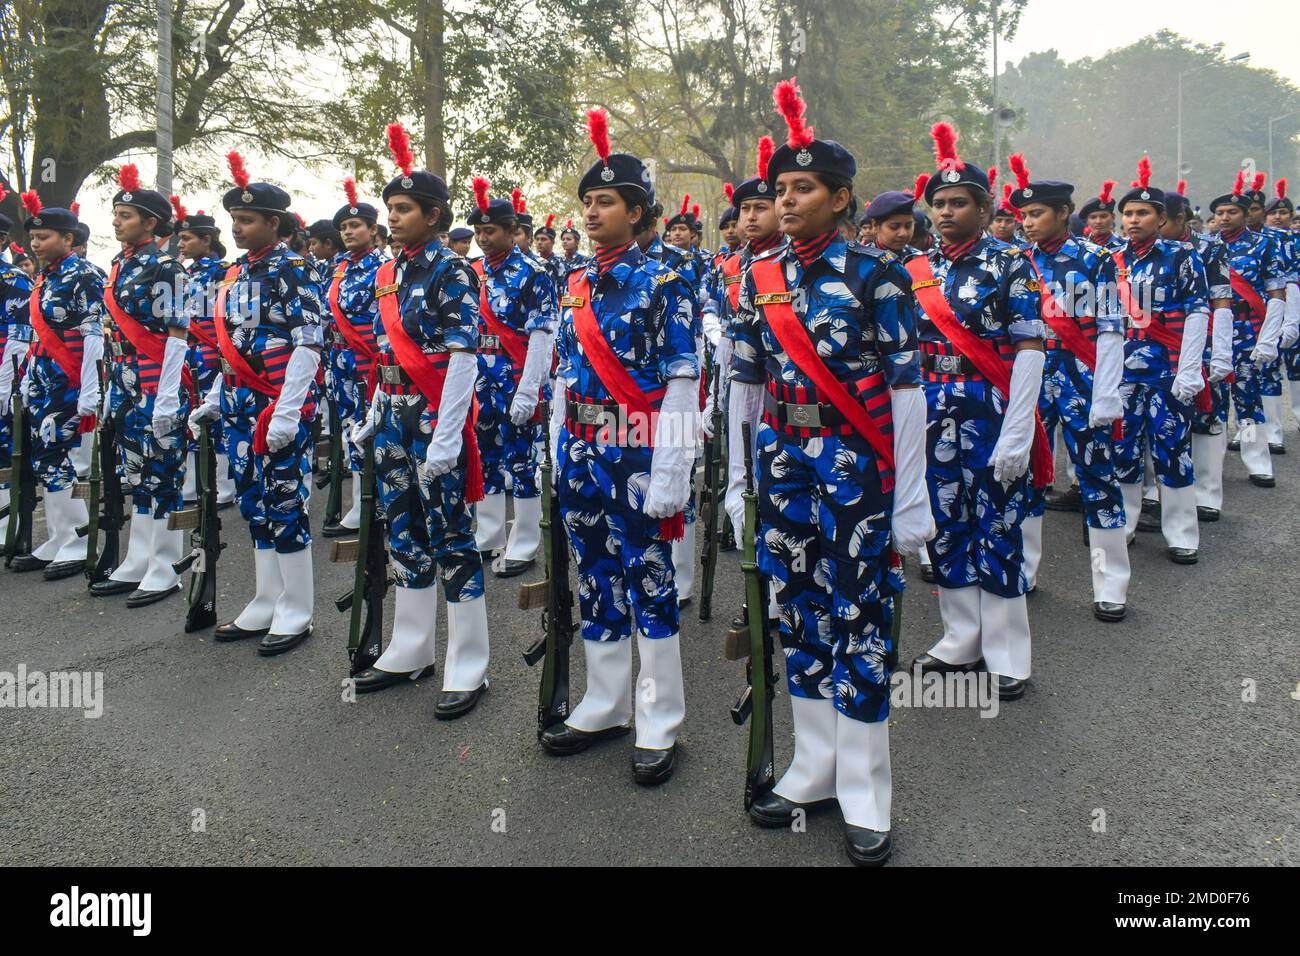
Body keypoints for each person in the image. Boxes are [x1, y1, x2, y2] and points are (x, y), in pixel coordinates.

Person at [729, 79, 929, 866]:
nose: (785, 201)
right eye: (779, 189)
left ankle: (866, 785)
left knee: (861, 621)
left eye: (802, 188)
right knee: (799, 612)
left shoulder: (880, 275)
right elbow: (744, 386)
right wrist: (744, 483)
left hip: (857, 465)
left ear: (842, 198)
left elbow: (907, 391)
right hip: (783, 460)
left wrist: (911, 498)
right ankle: (812, 768)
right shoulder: (758, 276)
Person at [540, 108, 696, 785]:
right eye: (586, 202)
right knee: (595, 579)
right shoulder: (574, 283)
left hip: (637, 450)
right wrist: (553, 444)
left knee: (650, 582)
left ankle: (659, 718)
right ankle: (604, 703)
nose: (591, 212)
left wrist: (674, 471)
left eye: (605, 202)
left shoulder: (667, 282)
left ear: (638, 213)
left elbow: (685, 382)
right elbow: (562, 374)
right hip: (580, 449)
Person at [344, 123, 490, 717]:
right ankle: (411, 646)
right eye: (391, 208)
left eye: (404, 209)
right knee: (401, 530)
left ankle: (469, 662)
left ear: (433, 216)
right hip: (394, 412)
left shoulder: (451, 271)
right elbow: (384, 357)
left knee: (451, 534)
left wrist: (449, 436)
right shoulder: (387, 274)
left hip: (434, 417)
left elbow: (463, 357)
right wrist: (374, 414)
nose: (394, 218)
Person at [909, 122, 1047, 701]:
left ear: (984, 206)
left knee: (999, 526)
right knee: (944, 527)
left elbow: (1030, 348)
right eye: (938, 203)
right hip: (931, 409)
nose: (945, 212)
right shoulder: (918, 268)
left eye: (957, 202)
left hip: (989, 407)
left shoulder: (1010, 261)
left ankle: (1008, 651)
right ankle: (960, 638)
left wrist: (1018, 432)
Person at [187, 152, 323, 655]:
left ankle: (297, 609)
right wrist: (215, 396)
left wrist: (289, 410)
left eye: (246, 220)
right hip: (240, 406)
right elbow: (225, 345)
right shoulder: (229, 275)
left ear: (274, 222)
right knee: (254, 504)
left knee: (286, 502)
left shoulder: (295, 270)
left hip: (277, 405)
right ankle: (267, 598)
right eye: (234, 220)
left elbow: (309, 343)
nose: (238, 227)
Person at [1007, 155, 1130, 620]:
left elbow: (1112, 327)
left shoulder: (1097, 259)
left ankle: (1109, 582)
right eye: (1023, 216)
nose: (1029, 223)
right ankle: (1025, 571)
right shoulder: (1017, 261)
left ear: (1063, 213)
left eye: (1037, 214)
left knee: (1097, 478)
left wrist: (1107, 392)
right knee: (1028, 475)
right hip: (1032, 376)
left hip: (1081, 373)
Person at [81, 166, 192, 603]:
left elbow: (178, 335)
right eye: (116, 214)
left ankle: (165, 565)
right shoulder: (119, 265)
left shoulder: (167, 268)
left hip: (155, 377)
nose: (117, 221)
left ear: (151, 222)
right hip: (125, 377)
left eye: (126, 215)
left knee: (162, 470)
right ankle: (138, 557)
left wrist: (167, 398)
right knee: (136, 471)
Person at [1109, 158, 1210, 562]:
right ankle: (1127, 523)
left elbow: (1198, 311)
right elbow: (1104, 320)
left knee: (1171, 448)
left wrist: (1189, 370)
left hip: (1166, 369)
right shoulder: (1110, 260)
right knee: (1124, 448)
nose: (1133, 220)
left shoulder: (1181, 257)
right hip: (1122, 372)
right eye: (1128, 213)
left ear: (1161, 217)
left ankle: (1182, 532)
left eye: (1142, 213)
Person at [466, 177, 557, 576]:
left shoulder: (534, 272)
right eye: (479, 232)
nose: (483, 238)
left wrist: (529, 389)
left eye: (491, 231)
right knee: (484, 455)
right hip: (480, 377)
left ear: (511, 231)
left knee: (521, 460)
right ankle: (488, 534)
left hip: (517, 374)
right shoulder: (471, 271)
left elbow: (541, 335)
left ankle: (524, 541)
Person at [10, 193, 100, 577]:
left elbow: (95, 335)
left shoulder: (85, 275)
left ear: (68, 238)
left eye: (44, 237)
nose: (35, 244)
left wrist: (91, 388)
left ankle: (78, 539)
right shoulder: (44, 277)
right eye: (33, 237)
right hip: (44, 380)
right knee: (45, 459)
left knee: (66, 459)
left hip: (71, 380)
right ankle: (60, 535)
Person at [1209, 172, 1288, 488]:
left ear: (1244, 214)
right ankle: (1211, 470)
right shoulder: (1205, 248)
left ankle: (1258, 461)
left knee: (1248, 402)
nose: (1225, 218)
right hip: (1214, 335)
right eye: (1220, 213)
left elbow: (1276, 294)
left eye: (1232, 212)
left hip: (1248, 333)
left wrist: (1269, 339)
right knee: (1212, 407)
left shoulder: (1264, 245)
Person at [1160, 183, 1233, 522]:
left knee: (1207, 421)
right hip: (1158, 349)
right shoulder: (1136, 252)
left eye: (1161, 220)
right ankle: (1158, 497)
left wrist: (1220, 352)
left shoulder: (1209, 248)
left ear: (1179, 220)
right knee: (1162, 426)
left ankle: (1207, 494)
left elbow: (1220, 302)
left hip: (1201, 345)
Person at [320, 176, 386, 537]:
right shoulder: (336, 268)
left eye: (355, 225)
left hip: (369, 362)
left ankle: (379, 501)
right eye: (343, 227)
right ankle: (363, 499)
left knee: (373, 428)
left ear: (372, 229)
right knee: (350, 428)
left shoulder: (384, 268)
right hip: (340, 363)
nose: (347, 232)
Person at [172, 200, 236, 508]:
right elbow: (170, 318)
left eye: (187, 239)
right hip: (187, 355)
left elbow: (239, 321)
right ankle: (194, 482)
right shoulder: (179, 273)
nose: (182, 244)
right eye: (180, 239)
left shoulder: (227, 273)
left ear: (207, 240)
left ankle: (224, 483)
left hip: (213, 354)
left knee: (217, 416)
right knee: (188, 415)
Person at [0, 213, 35, 524]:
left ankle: (6, 521)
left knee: (3, 445)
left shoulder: (13, 279)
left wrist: (4, 384)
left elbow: (20, 336)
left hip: (4, 369)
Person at [1265, 180, 1300, 432]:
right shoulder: (1260, 243)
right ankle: (1272, 429)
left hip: (1296, 306)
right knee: (1266, 370)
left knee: (1297, 366)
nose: (1278, 217)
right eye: (1273, 213)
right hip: (1266, 310)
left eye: (1283, 212)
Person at [1079, 180, 1125, 252]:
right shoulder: (1080, 247)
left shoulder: (1126, 246)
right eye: (1093, 217)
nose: (1098, 221)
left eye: (1103, 216)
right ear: (1087, 220)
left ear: (1113, 217)